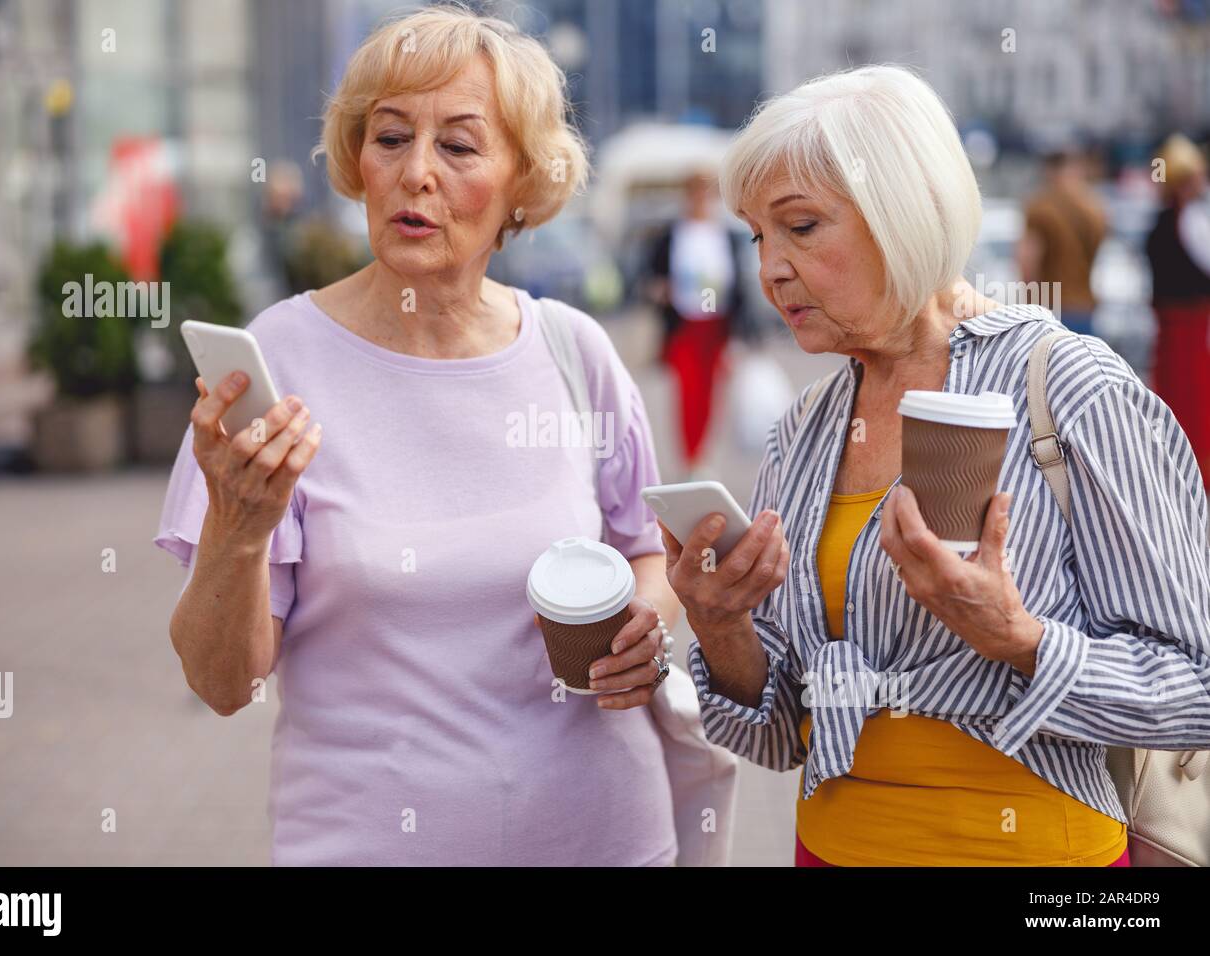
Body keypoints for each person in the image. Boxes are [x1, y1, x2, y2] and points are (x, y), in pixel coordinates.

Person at [154, 6, 683, 866]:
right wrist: (237, 528)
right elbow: (223, 684)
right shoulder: (276, 363)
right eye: (390, 137)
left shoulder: (573, 352)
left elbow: (646, 555)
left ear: (522, 180)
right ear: (358, 161)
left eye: (460, 147)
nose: (415, 174)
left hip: (606, 838)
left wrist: (646, 630)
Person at [662, 64, 1210, 866]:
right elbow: (778, 735)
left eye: (802, 227)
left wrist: (1018, 638)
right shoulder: (804, 429)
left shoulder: (1069, 386)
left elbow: (1194, 687)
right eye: (757, 235)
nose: (769, 267)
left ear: (901, 212)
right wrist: (719, 624)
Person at [646, 172, 747, 474]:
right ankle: (689, 457)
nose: (702, 198)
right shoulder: (673, 234)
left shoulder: (724, 235)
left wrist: (741, 334)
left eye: (707, 192)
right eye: (696, 192)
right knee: (688, 392)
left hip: (716, 325)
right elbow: (651, 276)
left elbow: (738, 284)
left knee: (711, 393)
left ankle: (702, 454)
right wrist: (660, 289)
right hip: (685, 325)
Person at [1145, 133, 1210, 491]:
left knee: (1176, 400)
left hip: (1171, 328)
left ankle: (1177, 469)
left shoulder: (1159, 223)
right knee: (1194, 403)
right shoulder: (1190, 220)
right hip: (1188, 328)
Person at [1017, 146, 1108, 336]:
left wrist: (1029, 309)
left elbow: (1027, 262)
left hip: (1051, 307)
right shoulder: (1095, 209)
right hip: (1084, 305)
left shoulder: (1041, 207)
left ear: (1049, 171)